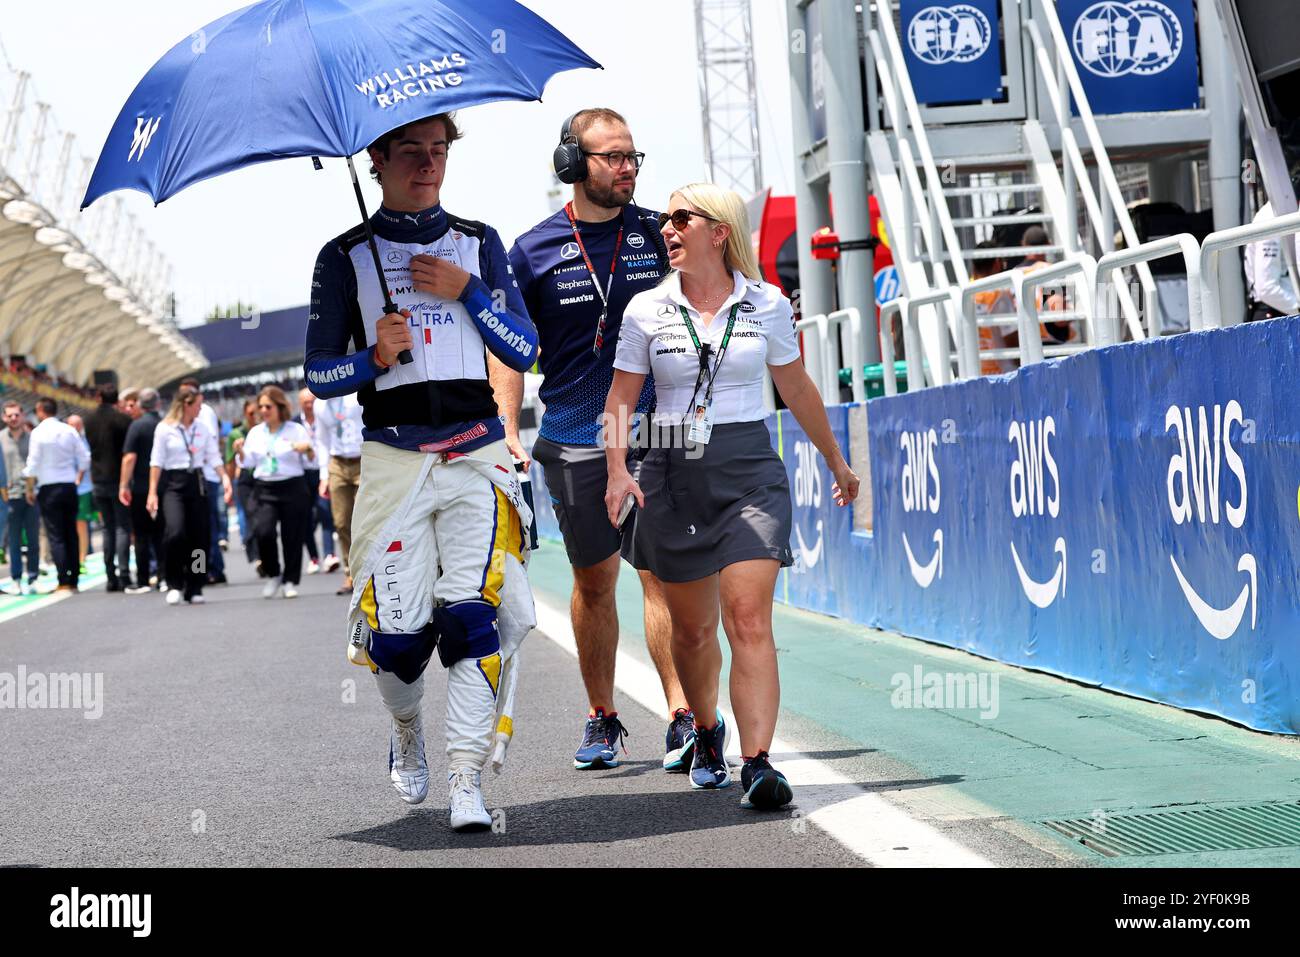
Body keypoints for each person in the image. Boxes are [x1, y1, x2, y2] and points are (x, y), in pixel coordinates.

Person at [304, 112, 540, 832]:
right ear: (376, 158)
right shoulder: (343, 256)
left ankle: (467, 779)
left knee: (474, 619)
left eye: (438, 150)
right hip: (394, 459)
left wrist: (467, 289)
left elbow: (524, 347)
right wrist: (371, 359)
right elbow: (318, 373)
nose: (428, 164)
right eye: (411, 152)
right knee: (401, 643)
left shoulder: (479, 243)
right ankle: (406, 729)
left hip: (475, 453)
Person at [604, 184, 859, 809]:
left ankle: (760, 764)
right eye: (666, 219)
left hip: (750, 471)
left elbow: (795, 387)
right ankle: (708, 729)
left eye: (681, 218)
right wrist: (616, 467)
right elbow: (620, 399)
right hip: (672, 471)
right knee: (693, 631)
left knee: (749, 619)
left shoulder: (767, 304)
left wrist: (836, 458)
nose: (667, 228)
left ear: (719, 232)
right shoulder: (644, 309)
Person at [504, 107, 690, 771]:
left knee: (663, 573)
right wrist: (506, 428)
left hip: (653, 432)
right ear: (571, 165)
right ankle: (603, 715)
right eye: (612, 156)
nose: (627, 167)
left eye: (633, 155)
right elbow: (508, 348)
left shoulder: (657, 233)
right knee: (594, 580)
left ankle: (682, 714)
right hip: (576, 437)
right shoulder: (530, 249)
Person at [147, 386, 232, 606]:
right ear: (186, 404)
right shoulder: (165, 428)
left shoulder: (202, 428)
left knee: (200, 538)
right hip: (173, 484)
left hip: (197, 482)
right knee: (174, 532)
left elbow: (214, 456)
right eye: (198, 405)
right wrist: (152, 492)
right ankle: (174, 582)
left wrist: (224, 478)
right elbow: (156, 461)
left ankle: (195, 585)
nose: (200, 409)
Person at [234, 386, 315, 599]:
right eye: (261, 406)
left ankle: (290, 580)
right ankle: (273, 573)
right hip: (265, 487)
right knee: (264, 531)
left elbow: (312, 459)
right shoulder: (255, 432)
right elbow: (248, 462)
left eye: (268, 406)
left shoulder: (295, 430)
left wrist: (306, 449)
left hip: (292, 486)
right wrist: (240, 451)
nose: (263, 410)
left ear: (279, 407)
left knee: (292, 537)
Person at [22, 398, 89, 594]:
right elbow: (84, 458)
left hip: (48, 488)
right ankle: (75, 577)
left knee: (56, 535)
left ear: (40, 411)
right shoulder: (68, 430)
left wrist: (27, 484)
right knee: (71, 532)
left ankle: (63, 579)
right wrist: (78, 477)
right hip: (69, 486)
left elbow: (32, 464)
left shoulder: (38, 432)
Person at [314, 391, 364, 596]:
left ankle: (370, 572)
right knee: (342, 521)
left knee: (364, 519)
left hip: (363, 458)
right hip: (337, 463)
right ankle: (351, 572)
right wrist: (323, 475)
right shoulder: (320, 404)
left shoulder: (357, 393)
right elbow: (322, 441)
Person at [178, 377, 228, 585]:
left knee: (206, 527)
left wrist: (222, 475)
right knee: (193, 529)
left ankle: (212, 569)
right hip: (186, 481)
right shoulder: (176, 422)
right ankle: (199, 570)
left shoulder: (204, 414)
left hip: (205, 478)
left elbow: (209, 448)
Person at [84, 387, 133, 591]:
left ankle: (110, 576)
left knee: (107, 528)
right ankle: (124, 574)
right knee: (122, 528)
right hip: (119, 479)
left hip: (98, 478)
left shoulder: (89, 420)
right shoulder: (123, 420)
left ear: (98, 397)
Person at [120, 388, 164, 594]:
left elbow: (129, 458)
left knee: (141, 536)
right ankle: (166, 577)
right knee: (163, 533)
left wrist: (123, 485)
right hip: (165, 486)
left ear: (140, 405)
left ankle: (144, 579)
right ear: (158, 404)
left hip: (140, 488)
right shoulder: (166, 424)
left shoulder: (137, 426)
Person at [295, 388, 338, 576]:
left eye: (312, 400)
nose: (309, 404)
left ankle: (330, 555)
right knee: (305, 518)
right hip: (302, 475)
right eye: (305, 401)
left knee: (325, 512)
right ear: (300, 404)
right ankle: (313, 557)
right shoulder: (294, 424)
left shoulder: (324, 416)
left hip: (322, 472)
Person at [2, 400, 40, 594]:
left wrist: (32, 488)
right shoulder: (0, 439)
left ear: (23, 415)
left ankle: (33, 578)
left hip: (30, 494)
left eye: (16, 414)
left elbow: (36, 464)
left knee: (33, 539)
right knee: (14, 541)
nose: (13, 418)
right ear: (4, 417)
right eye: (9, 415)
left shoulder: (33, 437)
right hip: (9, 497)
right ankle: (16, 579)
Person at [1243, 198, 1300, 322]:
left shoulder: (1290, 211)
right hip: (1274, 316)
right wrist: (1298, 308)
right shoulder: (1271, 216)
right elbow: (1267, 288)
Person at [225, 399, 260, 566]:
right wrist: (229, 483)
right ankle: (254, 554)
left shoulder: (264, 431)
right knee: (247, 515)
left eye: (256, 412)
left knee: (262, 517)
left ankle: (263, 553)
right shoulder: (236, 434)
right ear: (245, 414)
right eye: (251, 413)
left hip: (262, 477)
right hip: (244, 479)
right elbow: (230, 461)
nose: (254, 416)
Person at [66, 414, 96, 574]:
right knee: (68, 525)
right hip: (66, 488)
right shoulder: (63, 441)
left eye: (78, 425)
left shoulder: (85, 442)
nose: (75, 428)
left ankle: (82, 558)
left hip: (83, 489)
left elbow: (87, 462)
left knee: (81, 525)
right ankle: (72, 558)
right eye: (72, 425)